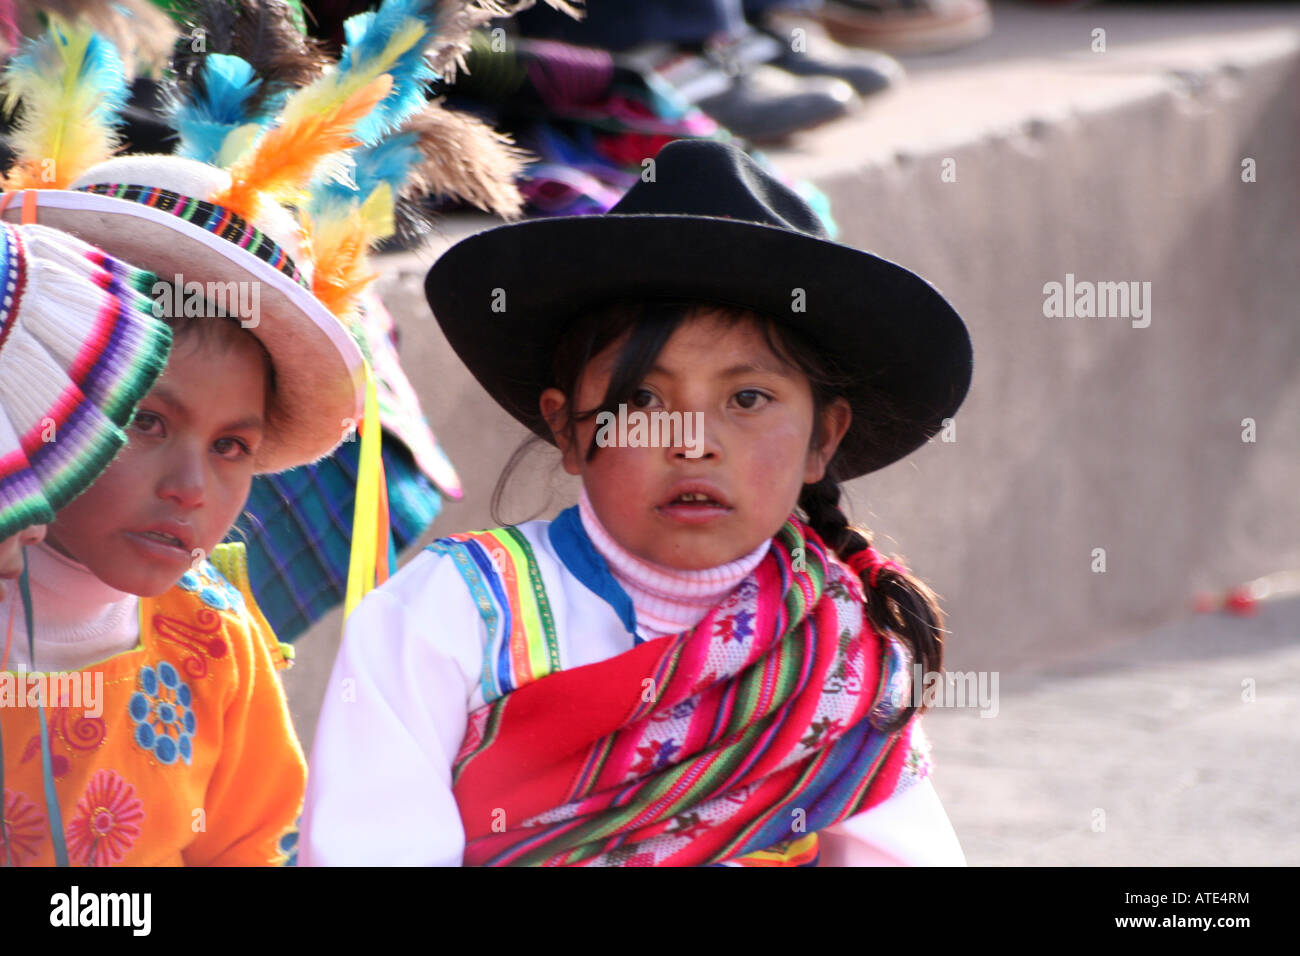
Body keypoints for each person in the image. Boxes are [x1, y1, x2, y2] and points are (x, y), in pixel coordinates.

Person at [301, 138, 974, 866]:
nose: (693, 442)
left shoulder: (840, 645)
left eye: (748, 398)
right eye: (644, 398)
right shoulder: (447, 617)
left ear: (823, 439)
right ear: (566, 425)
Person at [0, 15, 376, 865]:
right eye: (148, 421)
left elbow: (248, 844)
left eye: (232, 447)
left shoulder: (214, 640)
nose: (190, 488)